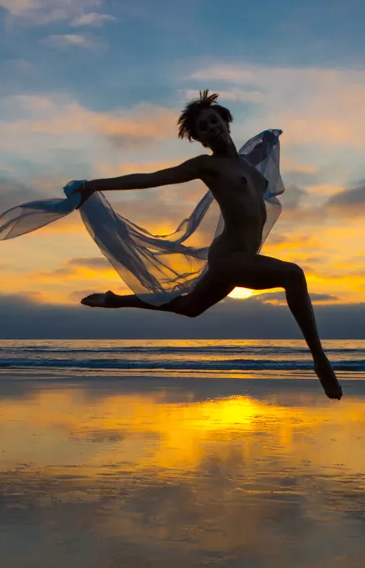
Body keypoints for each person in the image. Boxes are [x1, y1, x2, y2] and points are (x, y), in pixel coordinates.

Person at [75, 91, 342, 399]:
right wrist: (96, 184)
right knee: (293, 275)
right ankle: (320, 360)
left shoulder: (248, 163)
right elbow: (152, 178)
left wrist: (270, 140)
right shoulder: (207, 166)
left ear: (226, 121)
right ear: (199, 139)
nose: (211, 127)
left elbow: (259, 153)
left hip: (239, 258)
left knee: (189, 308)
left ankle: (116, 300)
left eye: (214, 120)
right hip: (228, 257)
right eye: (203, 127)